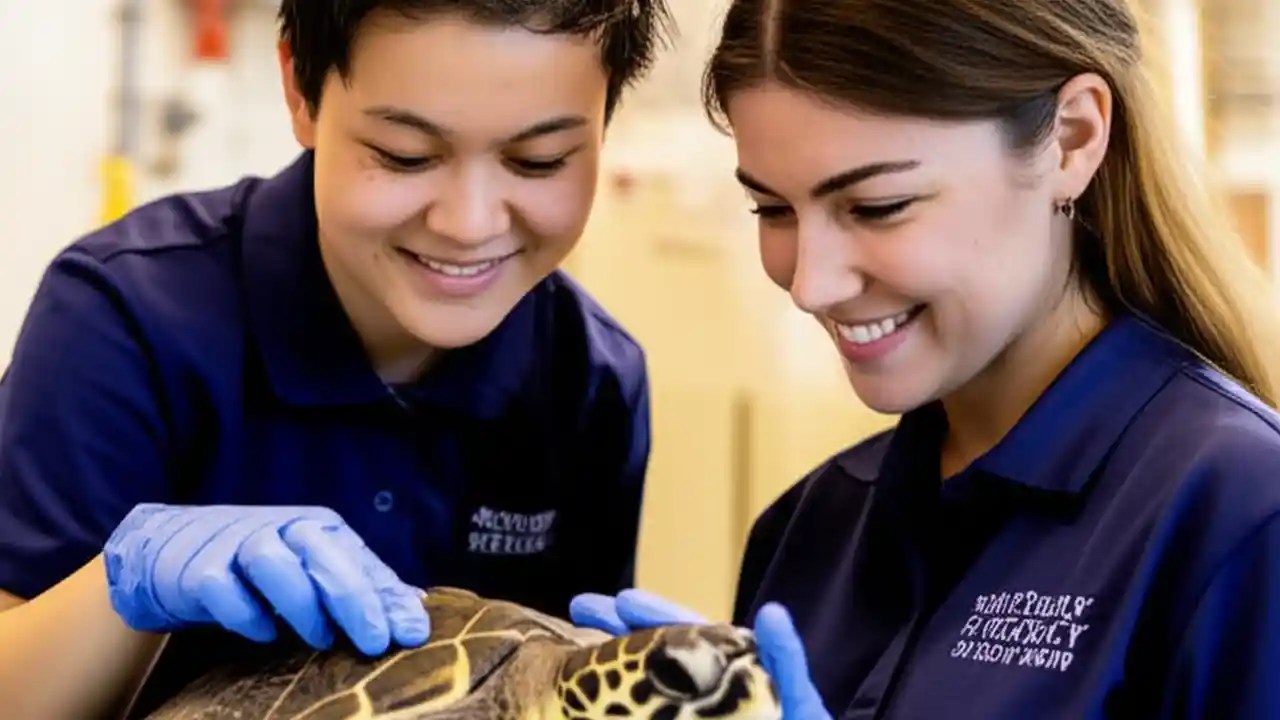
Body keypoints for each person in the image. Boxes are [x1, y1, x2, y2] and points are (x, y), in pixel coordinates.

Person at [571, 1, 1280, 717]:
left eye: (878, 206)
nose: (810, 284)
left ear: (1073, 139)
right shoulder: (813, 526)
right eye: (773, 210)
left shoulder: (1243, 515)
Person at [0, 1, 673, 717]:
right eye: (404, 155)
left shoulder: (592, 381)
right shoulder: (127, 316)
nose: (469, 224)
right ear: (301, 90)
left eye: (538, 161)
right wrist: (114, 599)